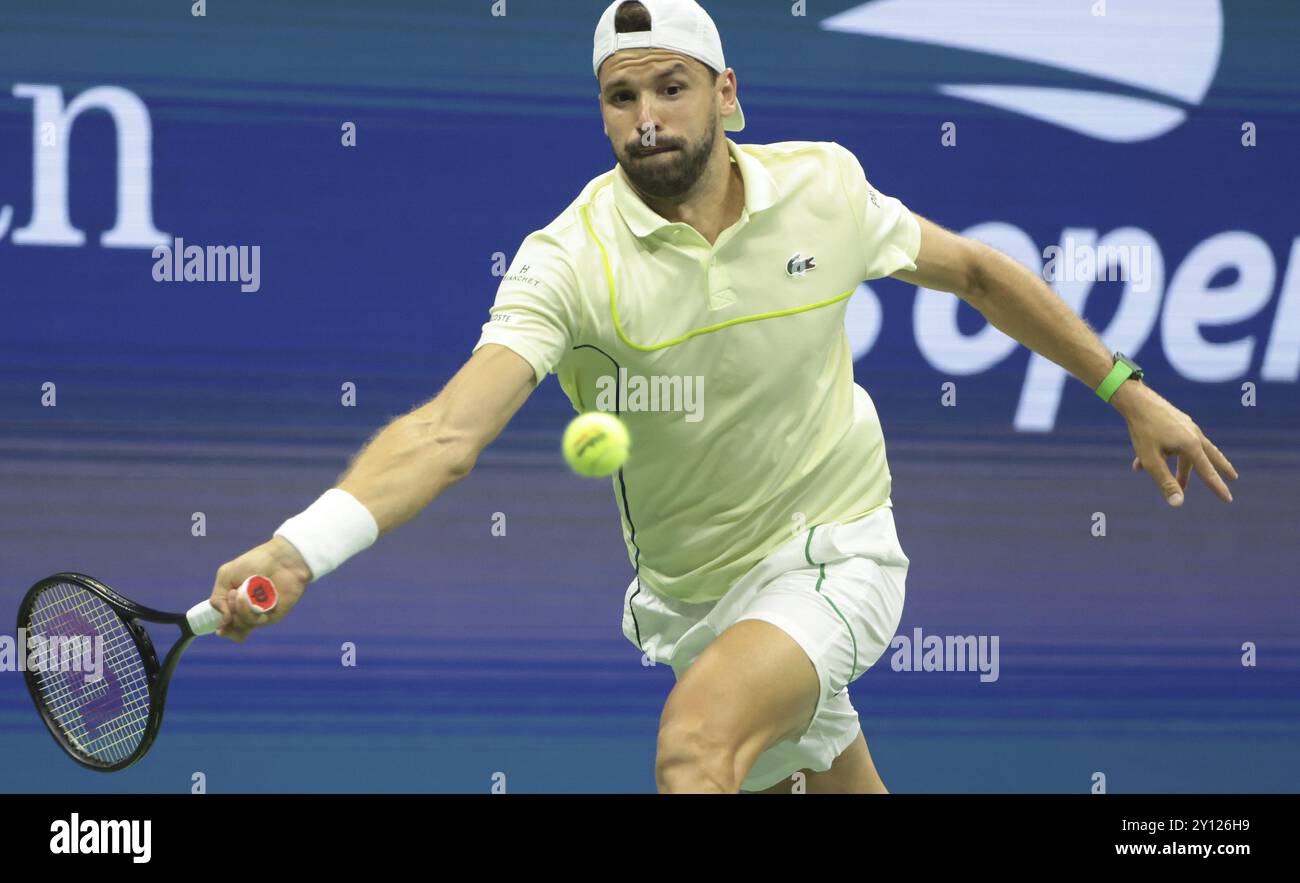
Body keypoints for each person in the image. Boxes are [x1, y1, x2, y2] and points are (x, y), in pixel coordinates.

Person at [208, 0, 1238, 794]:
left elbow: (972, 271)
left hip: (836, 549)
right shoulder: (565, 263)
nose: (647, 119)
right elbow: (445, 433)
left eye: (671, 88)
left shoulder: (822, 190)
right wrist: (299, 548)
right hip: (694, 596)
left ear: (724, 93)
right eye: (622, 97)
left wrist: (1125, 388)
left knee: (695, 750)